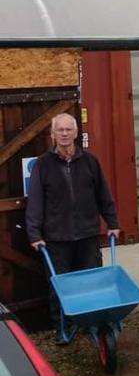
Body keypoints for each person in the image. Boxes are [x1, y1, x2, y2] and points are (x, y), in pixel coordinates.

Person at [26, 113, 121, 339]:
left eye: (69, 130)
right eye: (60, 130)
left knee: (92, 281)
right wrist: (34, 233)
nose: (65, 134)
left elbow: (103, 195)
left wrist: (113, 223)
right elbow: (36, 201)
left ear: (76, 133)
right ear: (53, 135)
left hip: (88, 234)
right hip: (57, 238)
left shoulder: (90, 161)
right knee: (59, 286)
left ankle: (91, 323)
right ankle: (63, 327)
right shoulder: (43, 164)